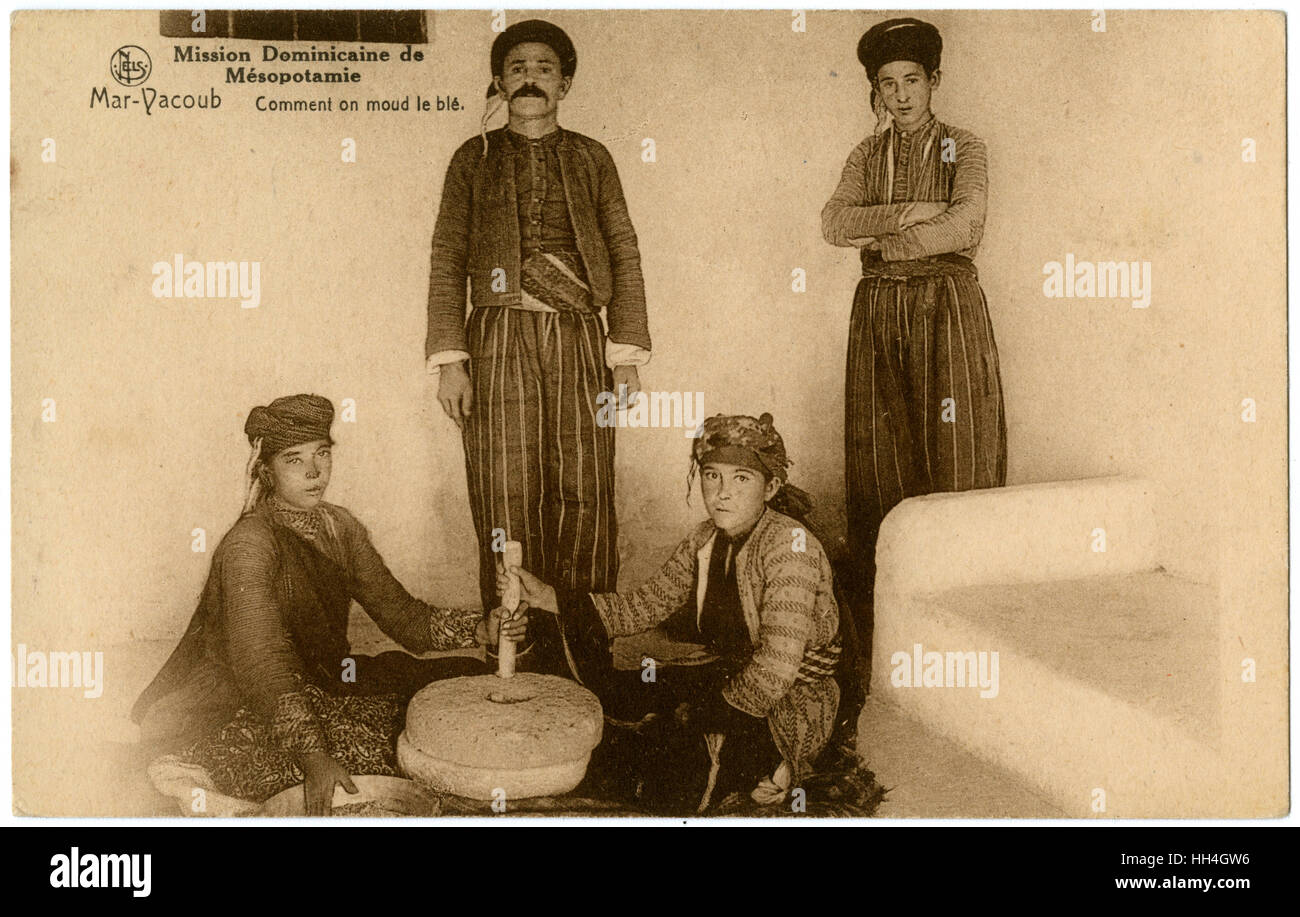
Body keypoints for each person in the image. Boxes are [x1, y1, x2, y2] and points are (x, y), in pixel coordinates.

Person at [131, 394, 526, 815]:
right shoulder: (249, 544)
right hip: (241, 698)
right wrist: (313, 756)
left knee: (456, 683)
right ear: (266, 470)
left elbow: (403, 615)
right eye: (294, 460)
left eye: (322, 454)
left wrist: (481, 629)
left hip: (320, 679)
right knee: (359, 763)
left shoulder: (340, 527)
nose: (315, 471)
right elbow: (262, 664)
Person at [425, 18, 652, 676]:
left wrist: (626, 353)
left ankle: (584, 643)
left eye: (545, 67)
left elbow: (624, 251)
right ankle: (513, 644)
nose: (530, 77)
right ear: (499, 80)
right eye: (517, 66)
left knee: (584, 486)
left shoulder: (592, 156)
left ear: (566, 83)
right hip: (495, 335)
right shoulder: (475, 158)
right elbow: (447, 259)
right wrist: (451, 360)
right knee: (504, 486)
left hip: (580, 334)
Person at [505, 413, 842, 812]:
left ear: (771, 487)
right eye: (712, 475)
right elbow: (642, 605)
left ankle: (778, 768)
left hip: (787, 696)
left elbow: (777, 667)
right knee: (629, 701)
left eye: (741, 479)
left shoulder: (791, 546)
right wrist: (549, 597)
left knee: (682, 759)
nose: (722, 493)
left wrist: (698, 714)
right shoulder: (704, 539)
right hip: (726, 669)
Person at [821, 17, 1008, 661]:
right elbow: (833, 222)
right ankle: (885, 642)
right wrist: (906, 212)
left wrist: (887, 240)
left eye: (911, 80)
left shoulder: (964, 145)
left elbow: (967, 222)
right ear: (875, 90)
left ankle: (966, 633)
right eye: (886, 83)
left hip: (947, 307)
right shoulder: (865, 155)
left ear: (934, 81)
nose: (900, 94)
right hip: (877, 311)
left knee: (958, 459)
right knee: (881, 466)